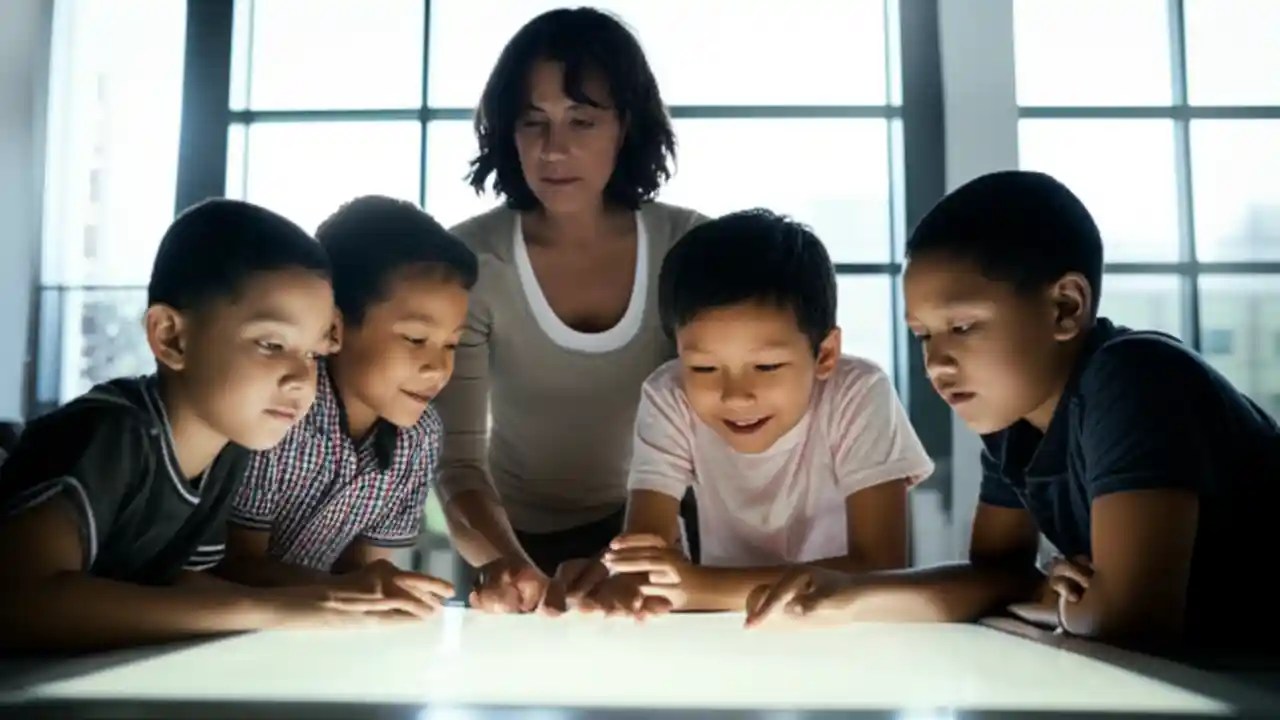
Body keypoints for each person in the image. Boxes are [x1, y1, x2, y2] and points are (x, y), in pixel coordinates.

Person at [745, 171, 1280, 655]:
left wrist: (1065, 603)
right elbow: (997, 578)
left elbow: (1133, 620)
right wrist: (848, 595)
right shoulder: (1015, 423)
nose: (936, 363)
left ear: (1065, 307)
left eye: (963, 327)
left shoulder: (1133, 377)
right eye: (924, 335)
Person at [0, 199, 420, 652]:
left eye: (313, 354)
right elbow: (19, 601)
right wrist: (272, 610)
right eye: (271, 344)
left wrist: (332, 594)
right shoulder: (108, 433)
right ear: (171, 337)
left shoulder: (226, 453)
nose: (302, 379)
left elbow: (178, 584)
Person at [433, 7, 706, 612]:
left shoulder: (686, 246)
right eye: (533, 122)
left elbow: (713, 429)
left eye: (582, 120)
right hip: (504, 534)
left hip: (654, 521)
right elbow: (456, 461)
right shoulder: (471, 260)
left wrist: (634, 555)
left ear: (625, 126)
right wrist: (510, 567)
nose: (554, 149)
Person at [579, 210, 934, 616]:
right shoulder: (669, 395)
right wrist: (623, 584)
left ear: (825, 354)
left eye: (766, 367)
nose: (736, 396)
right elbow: (646, 554)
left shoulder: (858, 393)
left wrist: (701, 588)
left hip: (847, 626)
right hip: (726, 629)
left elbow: (881, 568)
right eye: (704, 368)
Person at [219, 197, 475, 614]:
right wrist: (351, 588)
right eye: (415, 339)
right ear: (334, 327)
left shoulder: (418, 437)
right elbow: (234, 567)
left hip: (311, 628)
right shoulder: (283, 409)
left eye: (452, 344)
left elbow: (363, 574)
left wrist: (377, 590)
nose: (438, 368)